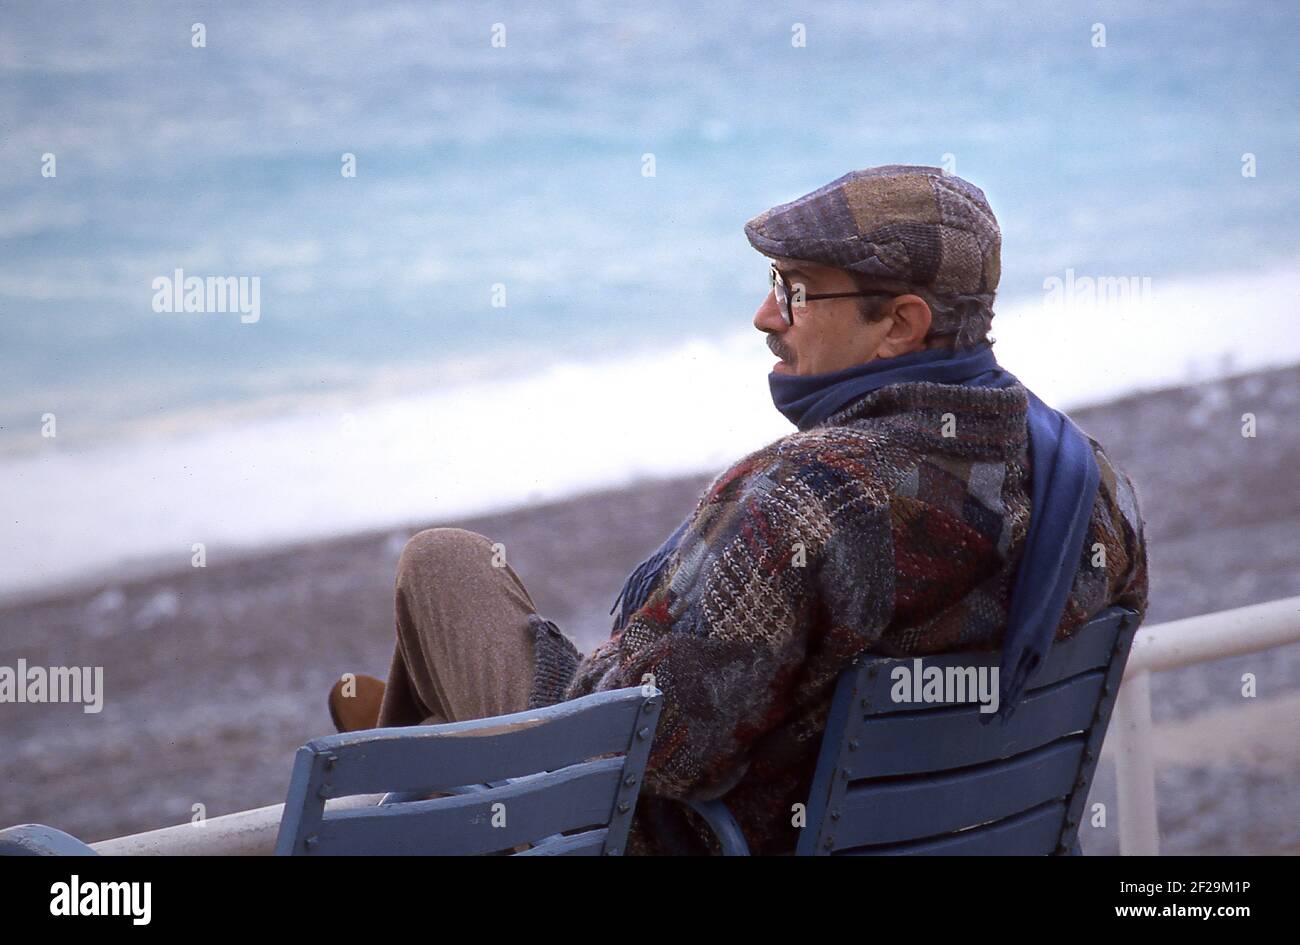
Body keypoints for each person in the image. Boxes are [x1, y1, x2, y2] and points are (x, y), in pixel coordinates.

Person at [328, 165, 1150, 855]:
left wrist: (632, 641)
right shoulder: (1092, 487)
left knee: (445, 564)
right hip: (944, 830)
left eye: (796, 292)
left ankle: (413, 754)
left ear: (900, 322)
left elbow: (647, 749)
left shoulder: (810, 496)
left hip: (683, 830)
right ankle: (425, 736)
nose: (766, 316)